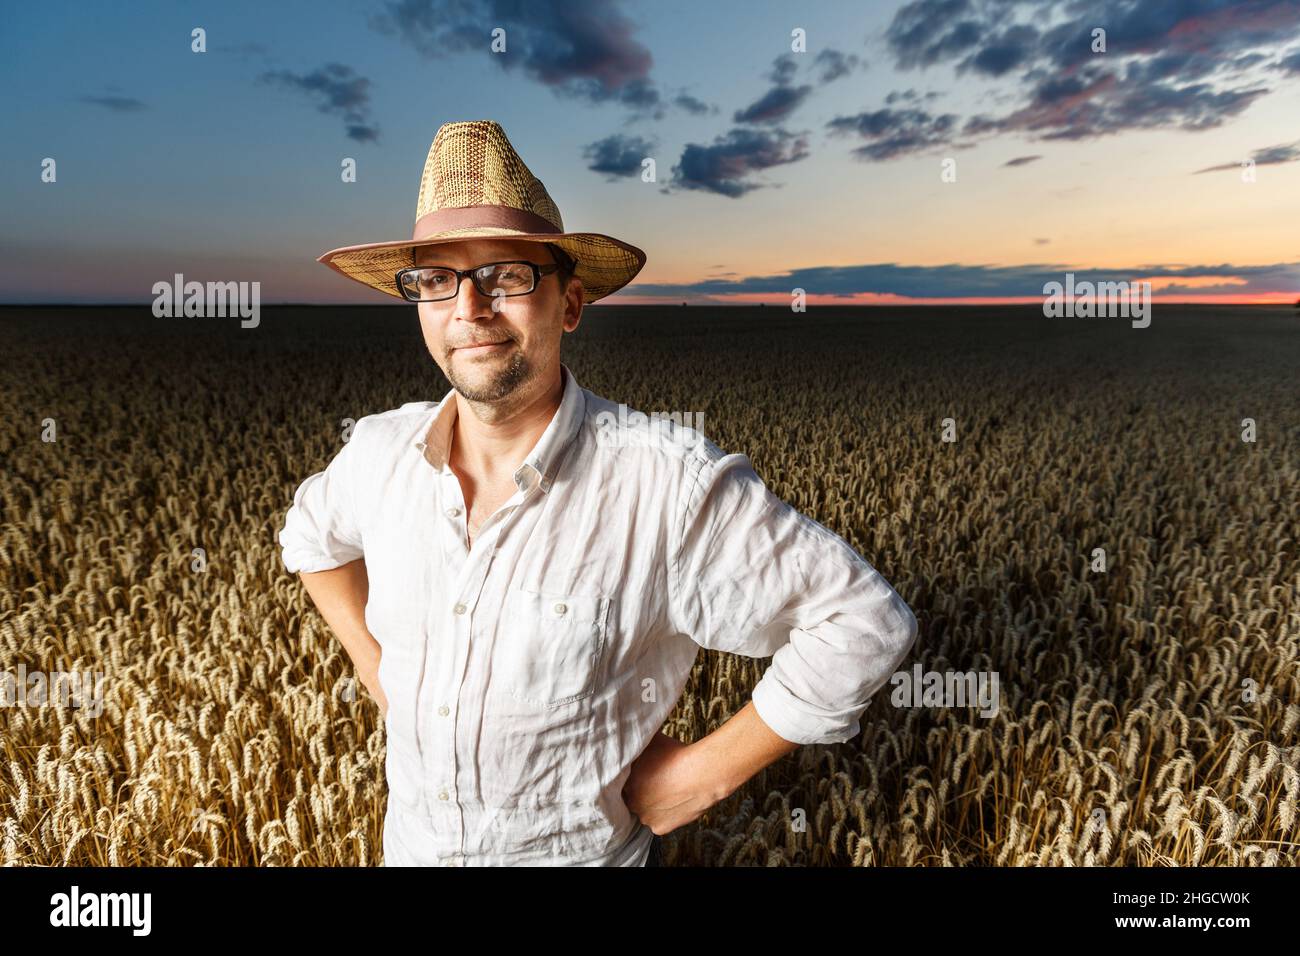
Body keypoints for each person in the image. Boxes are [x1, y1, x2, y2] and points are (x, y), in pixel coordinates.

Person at [279, 120, 919, 866]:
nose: (469, 308)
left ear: (570, 304)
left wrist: (704, 778)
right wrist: (371, 662)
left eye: (507, 275)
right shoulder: (380, 453)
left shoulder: (664, 485)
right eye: (437, 279)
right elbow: (310, 537)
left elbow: (862, 622)